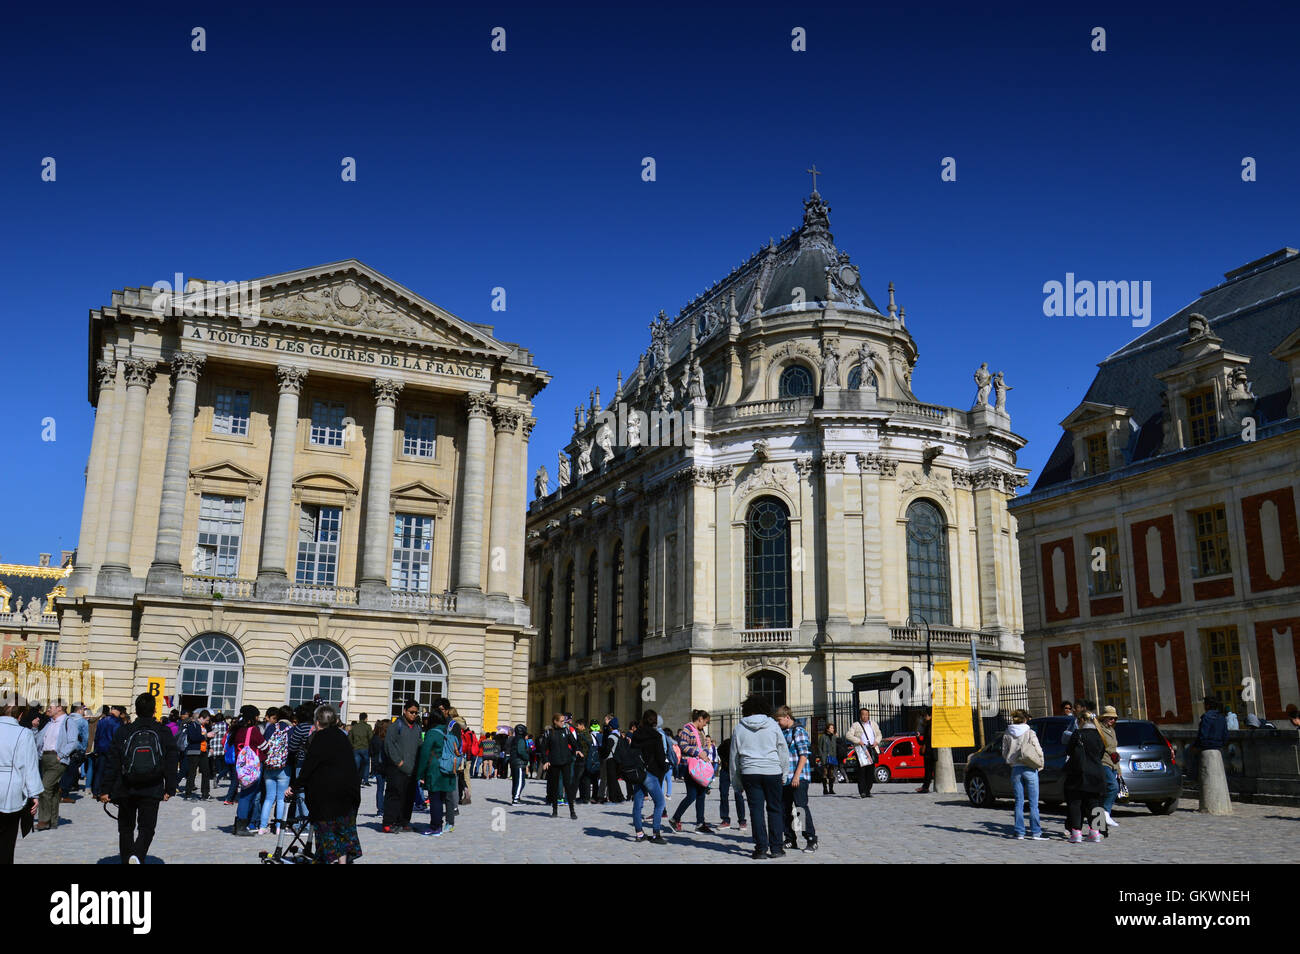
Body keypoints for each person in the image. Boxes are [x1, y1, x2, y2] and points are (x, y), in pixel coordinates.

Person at [99, 692, 181, 863]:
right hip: (153, 785)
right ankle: (137, 855)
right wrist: (170, 788)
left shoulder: (125, 730)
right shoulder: (162, 731)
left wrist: (105, 789)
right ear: (155, 710)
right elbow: (171, 761)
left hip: (125, 785)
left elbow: (112, 761)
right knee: (147, 828)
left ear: (135, 710)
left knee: (126, 828)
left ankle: (127, 859)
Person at [291, 705, 362, 863]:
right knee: (342, 835)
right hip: (346, 795)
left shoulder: (319, 738)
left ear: (317, 722)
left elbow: (308, 767)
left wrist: (294, 786)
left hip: (326, 798)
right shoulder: (342, 736)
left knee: (328, 837)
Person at [730, 694, 790, 860]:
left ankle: (761, 848)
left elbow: (734, 758)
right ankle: (777, 848)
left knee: (756, 811)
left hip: (750, 772)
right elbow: (783, 751)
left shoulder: (739, 727)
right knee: (775, 809)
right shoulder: (772, 725)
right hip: (772, 771)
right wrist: (784, 774)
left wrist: (736, 782)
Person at [0, 701, 42, 864]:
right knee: (6, 842)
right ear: (20, 715)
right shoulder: (24, 734)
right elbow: (30, 766)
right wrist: (34, 794)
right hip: (11, 793)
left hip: (11, 788)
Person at [774, 707, 818, 851]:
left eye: (779, 720)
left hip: (798, 777)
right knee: (784, 809)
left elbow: (804, 755)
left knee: (800, 808)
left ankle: (811, 839)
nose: (778, 723)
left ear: (787, 717)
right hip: (786, 777)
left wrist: (797, 775)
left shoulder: (798, 731)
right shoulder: (782, 732)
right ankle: (790, 838)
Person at [1063, 701, 1107, 843]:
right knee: (1095, 802)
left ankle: (1076, 832)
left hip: (1079, 773)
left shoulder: (1078, 734)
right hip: (1097, 772)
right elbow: (1101, 753)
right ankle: (1096, 832)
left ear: (1081, 720)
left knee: (1075, 802)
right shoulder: (1100, 735)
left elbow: (1069, 750)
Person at [1001, 709, 1044, 840]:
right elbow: (1038, 749)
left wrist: (1011, 761)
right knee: (1033, 803)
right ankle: (1036, 832)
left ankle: (1019, 832)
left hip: (1016, 769)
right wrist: (1041, 763)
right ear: (1025, 719)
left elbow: (1004, 752)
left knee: (1019, 802)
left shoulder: (1007, 733)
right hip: (1030, 768)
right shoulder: (1030, 732)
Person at [670, 709, 714, 833]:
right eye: (706, 721)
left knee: (701, 795)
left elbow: (704, 747)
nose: (706, 724)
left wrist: (705, 754)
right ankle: (675, 819)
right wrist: (699, 753)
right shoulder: (687, 729)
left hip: (699, 766)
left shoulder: (701, 731)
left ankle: (700, 823)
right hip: (689, 767)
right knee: (692, 795)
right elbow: (683, 745)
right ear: (700, 718)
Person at [415, 711, 458, 836]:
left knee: (435, 799)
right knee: (444, 798)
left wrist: (420, 773)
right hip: (448, 767)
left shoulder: (432, 733)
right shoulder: (447, 731)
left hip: (435, 770)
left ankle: (435, 826)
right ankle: (446, 823)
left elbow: (425, 753)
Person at [383, 700, 422, 833]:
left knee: (408, 797)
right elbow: (389, 745)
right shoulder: (396, 725)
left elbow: (419, 744)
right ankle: (389, 822)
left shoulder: (417, 727)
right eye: (411, 712)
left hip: (411, 769)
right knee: (394, 795)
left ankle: (404, 821)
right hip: (397, 769)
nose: (414, 715)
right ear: (404, 711)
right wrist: (398, 762)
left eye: (416, 713)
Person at [630, 710, 668, 844]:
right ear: (655, 721)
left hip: (638, 772)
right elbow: (660, 757)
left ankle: (639, 833)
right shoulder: (656, 736)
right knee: (660, 802)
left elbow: (632, 752)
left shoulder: (636, 734)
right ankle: (656, 833)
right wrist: (663, 768)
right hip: (650, 773)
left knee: (638, 804)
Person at [227, 706, 265, 836]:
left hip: (241, 768)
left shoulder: (237, 730)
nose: (258, 718)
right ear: (252, 717)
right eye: (257, 716)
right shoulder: (252, 730)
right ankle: (241, 826)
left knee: (245, 794)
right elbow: (265, 746)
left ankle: (238, 824)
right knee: (246, 796)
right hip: (252, 768)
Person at [36, 704, 71, 830]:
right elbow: (39, 739)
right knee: (54, 790)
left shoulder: (68, 721)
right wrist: (34, 728)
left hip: (57, 759)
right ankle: (53, 821)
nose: (48, 709)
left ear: (60, 708)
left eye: (51, 707)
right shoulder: (50, 723)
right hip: (45, 758)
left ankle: (44, 820)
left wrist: (62, 755)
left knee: (45, 788)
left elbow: (73, 741)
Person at [258, 708, 293, 835]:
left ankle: (262, 827)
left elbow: (264, 744)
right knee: (281, 799)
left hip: (269, 766)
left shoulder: (271, 727)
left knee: (268, 798)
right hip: (284, 767)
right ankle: (279, 827)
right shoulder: (290, 729)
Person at [540, 713, 579, 819]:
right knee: (554, 787)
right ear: (555, 721)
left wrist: (572, 755)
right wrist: (545, 761)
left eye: (564, 721)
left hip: (566, 762)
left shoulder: (566, 731)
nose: (563, 723)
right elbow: (543, 748)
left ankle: (572, 811)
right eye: (561, 721)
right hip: (554, 763)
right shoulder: (549, 733)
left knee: (568, 786)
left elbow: (575, 744)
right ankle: (554, 810)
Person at [1096, 705, 1123, 829]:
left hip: (1112, 763)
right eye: (1111, 718)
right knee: (1113, 786)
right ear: (1104, 718)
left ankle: (1101, 816)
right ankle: (1105, 813)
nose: (1113, 721)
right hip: (1103, 762)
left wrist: (1118, 769)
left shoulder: (1112, 731)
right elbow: (1104, 747)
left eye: (1115, 719)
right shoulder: (1099, 729)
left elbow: (1115, 750)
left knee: (1107, 790)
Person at [846, 708, 882, 798]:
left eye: (866, 714)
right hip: (861, 750)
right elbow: (848, 735)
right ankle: (862, 791)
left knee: (870, 771)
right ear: (860, 715)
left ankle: (868, 790)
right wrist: (858, 741)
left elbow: (879, 734)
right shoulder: (856, 725)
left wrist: (876, 741)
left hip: (872, 748)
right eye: (863, 714)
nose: (865, 716)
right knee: (862, 771)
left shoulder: (873, 724)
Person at [88, 705, 121, 798]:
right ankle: (105, 791)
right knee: (110, 771)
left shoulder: (102, 721)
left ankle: (95, 791)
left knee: (99, 770)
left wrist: (96, 748)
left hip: (101, 748)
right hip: (111, 749)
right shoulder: (117, 722)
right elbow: (117, 737)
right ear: (117, 711)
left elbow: (97, 736)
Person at [716, 735, 747, 830]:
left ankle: (742, 821)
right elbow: (719, 750)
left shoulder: (742, 744)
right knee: (723, 794)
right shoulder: (727, 743)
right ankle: (725, 820)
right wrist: (725, 761)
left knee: (738, 795)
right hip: (725, 770)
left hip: (737, 771)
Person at [180, 710, 212, 800]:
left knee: (206, 772)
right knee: (192, 773)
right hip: (194, 752)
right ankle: (188, 793)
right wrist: (206, 736)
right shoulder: (193, 725)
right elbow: (193, 738)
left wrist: (209, 741)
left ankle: (205, 793)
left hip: (203, 752)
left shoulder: (204, 727)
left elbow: (204, 739)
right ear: (201, 718)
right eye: (206, 720)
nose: (207, 722)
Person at [914, 708, 935, 793]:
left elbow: (925, 741)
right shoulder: (928, 726)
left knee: (928, 770)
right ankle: (925, 786)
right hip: (930, 751)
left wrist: (919, 737)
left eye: (926, 716)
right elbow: (923, 741)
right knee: (928, 770)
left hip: (930, 751)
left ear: (930, 716)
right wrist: (918, 737)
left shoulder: (929, 727)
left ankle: (925, 787)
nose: (925, 717)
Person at [349, 713, 373, 786]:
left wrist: (353, 745)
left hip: (356, 748)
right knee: (366, 764)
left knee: (357, 765)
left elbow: (350, 737)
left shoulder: (354, 727)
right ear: (365, 718)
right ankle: (365, 780)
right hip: (365, 747)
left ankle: (355, 779)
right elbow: (370, 737)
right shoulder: (368, 727)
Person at [370, 719, 388, 815]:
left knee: (380, 789)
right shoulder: (388, 739)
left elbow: (371, 752)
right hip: (387, 766)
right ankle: (386, 808)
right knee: (389, 789)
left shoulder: (375, 738)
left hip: (377, 766)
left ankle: (380, 809)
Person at [508, 724, 530, 803]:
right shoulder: (520, 739)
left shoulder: (514, 739)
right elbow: (521, 751)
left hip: (514, 762)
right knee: (520, 782)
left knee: (515, 781)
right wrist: (527, 757)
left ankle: (515, 796)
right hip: (519, 762)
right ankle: (516, 799)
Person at [818, 724, 839, 795]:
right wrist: (821, 756)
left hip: (832, 757)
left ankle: (831, 789)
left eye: (833, 728)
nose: (832, 729)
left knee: (831, 774)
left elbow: (836, 746)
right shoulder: (823, 737)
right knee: (825, 773)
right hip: (825, 757)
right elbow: (819, 747)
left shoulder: (834, 737)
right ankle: (825, 789)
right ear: (827, 729)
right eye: (831, 728)